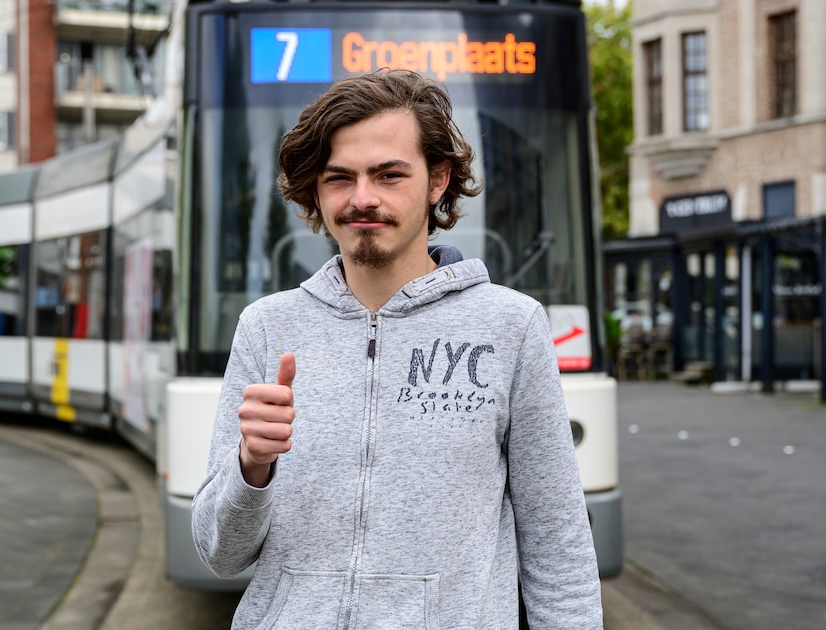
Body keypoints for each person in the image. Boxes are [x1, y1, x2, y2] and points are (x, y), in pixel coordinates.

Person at [192, 70, 602, 628]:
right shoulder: (267, 326)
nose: (363, 198)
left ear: (437, 181)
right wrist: (251, 467)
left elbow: (558, 542)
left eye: (389, 175)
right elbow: (220, 553)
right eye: (340, 178)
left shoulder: (512, 326)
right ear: (315, 188)